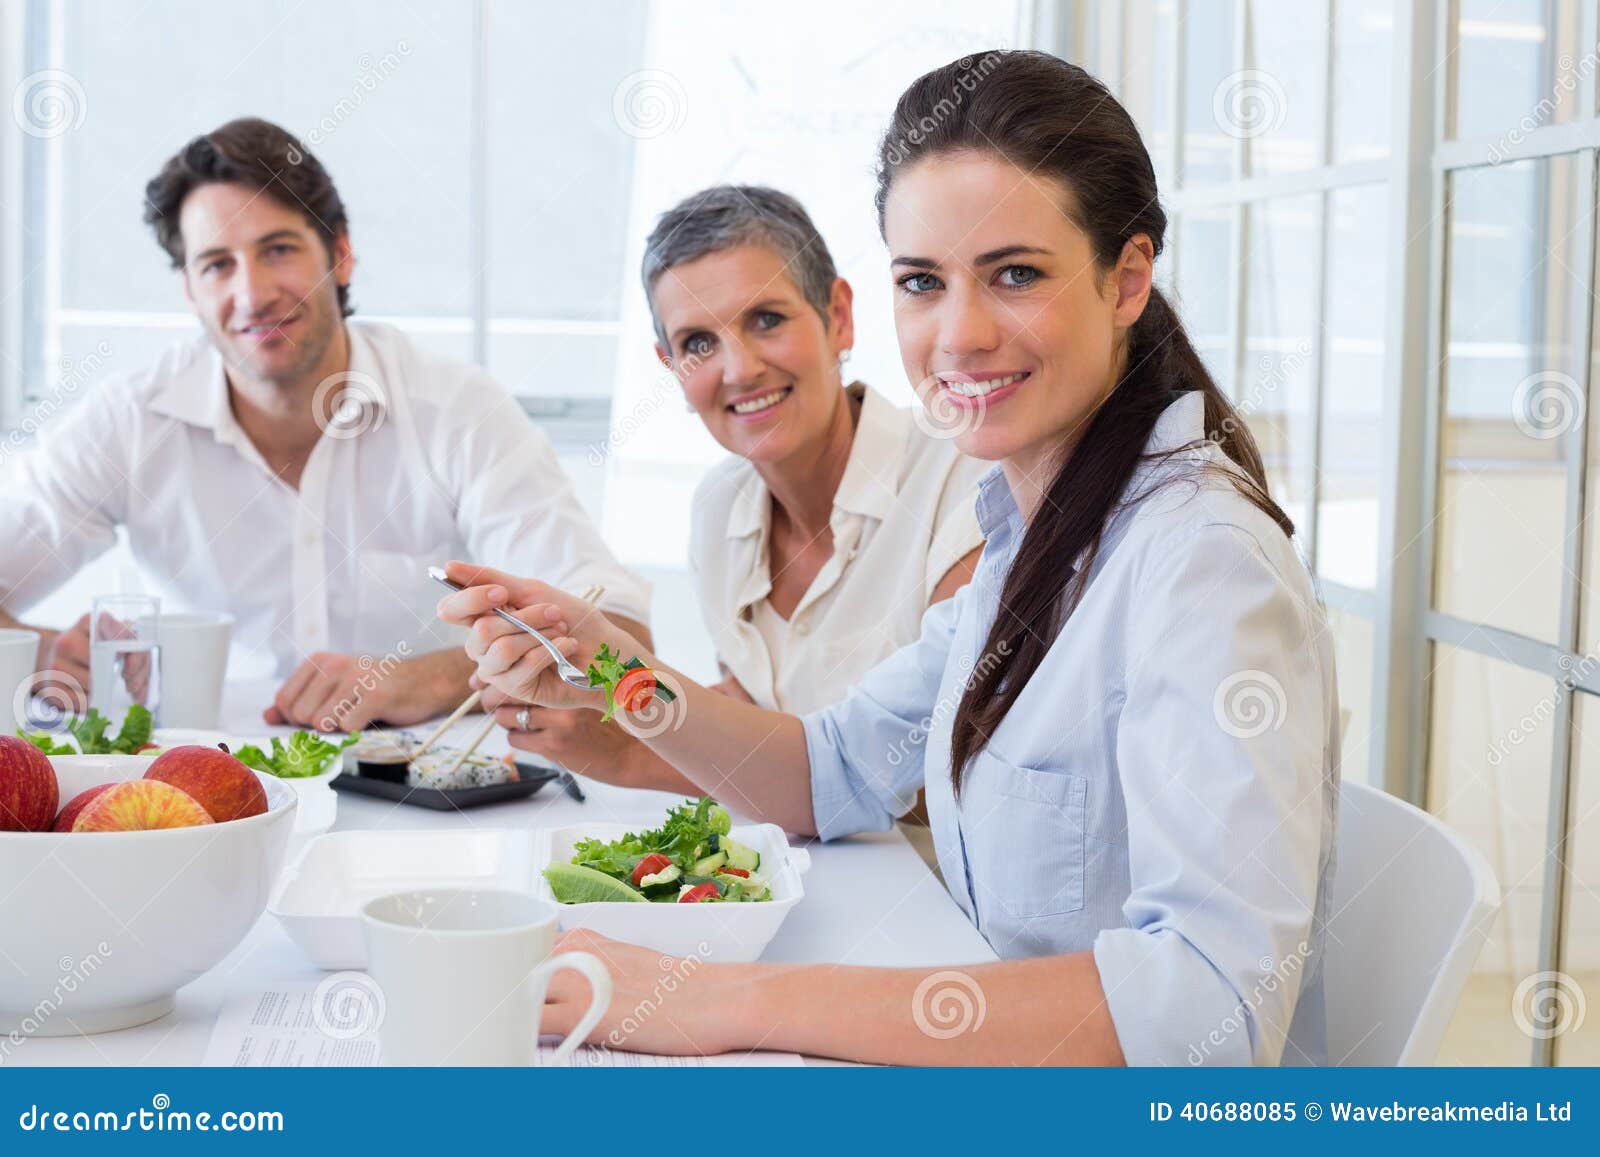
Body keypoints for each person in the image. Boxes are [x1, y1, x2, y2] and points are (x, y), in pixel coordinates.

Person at [441, 50, 1338, 1066]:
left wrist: (733, 1002)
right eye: (924, 281)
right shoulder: (1030, 535)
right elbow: (821, 773)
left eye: (1015, 274)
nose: (957, 334)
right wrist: (606, 661)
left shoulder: (1199, 562)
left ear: (1125, 280)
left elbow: (1204, 1008)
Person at [0, 118, 650, 731]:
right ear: (190, 292)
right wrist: (43, 652)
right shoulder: (131, 422)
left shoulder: (455, 410)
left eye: (277, 249)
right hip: (202, 799)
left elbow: (621, 633)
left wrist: (426, 678)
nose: (252, 294)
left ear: (339, 256)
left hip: (429, 803)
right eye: (217, 264)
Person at [483, 186, 986, 835]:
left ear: (838, 316)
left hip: (941, 912)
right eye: (698, 343)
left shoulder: (961, 477)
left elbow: (941, 775)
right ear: (671, 367)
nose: (739, 369)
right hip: (806, 884)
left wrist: (637, 747)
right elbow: (750, 718)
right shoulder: (719, 512)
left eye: (767, 319)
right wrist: (588, 691)